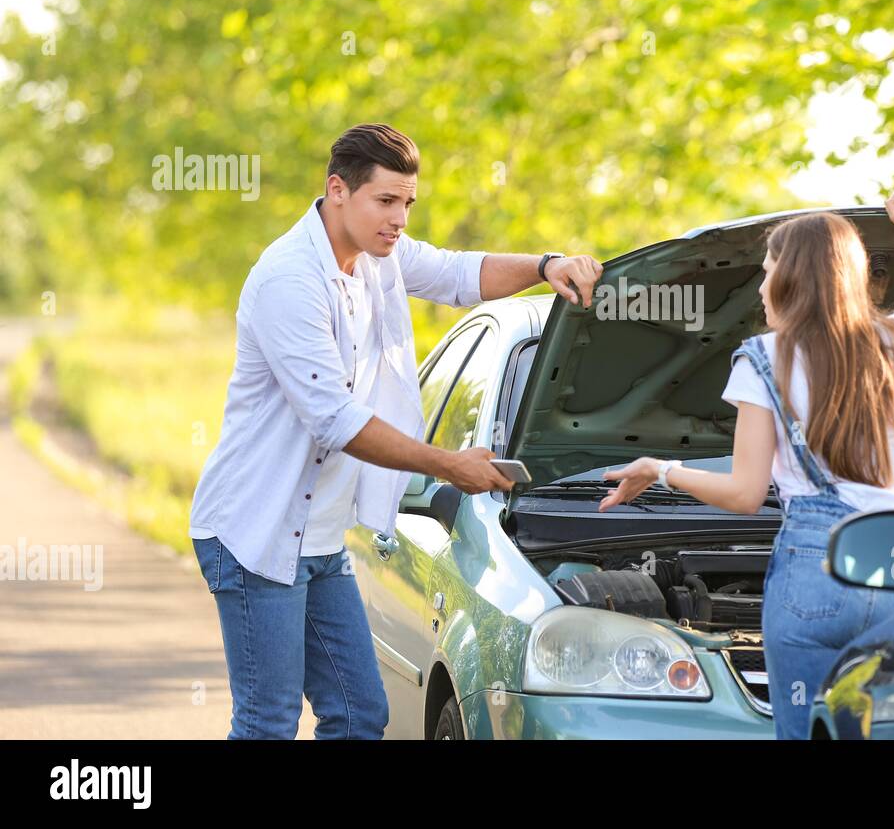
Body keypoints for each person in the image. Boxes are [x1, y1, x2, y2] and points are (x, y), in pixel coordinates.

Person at [189, 123, 603, 739]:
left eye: (408, 202)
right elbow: (334, 419)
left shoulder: (379, 256)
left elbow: (461, 274)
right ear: (337, 190)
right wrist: (448, 463)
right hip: (255, 531)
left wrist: (547, 265)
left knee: (360, 715)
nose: (400, 218)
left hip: (319, 537)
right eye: (386, 201)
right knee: (267, 722)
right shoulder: (289, 280)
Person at [600, 191, 894, 739]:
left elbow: (744, 494)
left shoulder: (766, 358)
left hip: (815, 579)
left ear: (793, 279)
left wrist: (660, 469)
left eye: (768, 272)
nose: (760, 287)